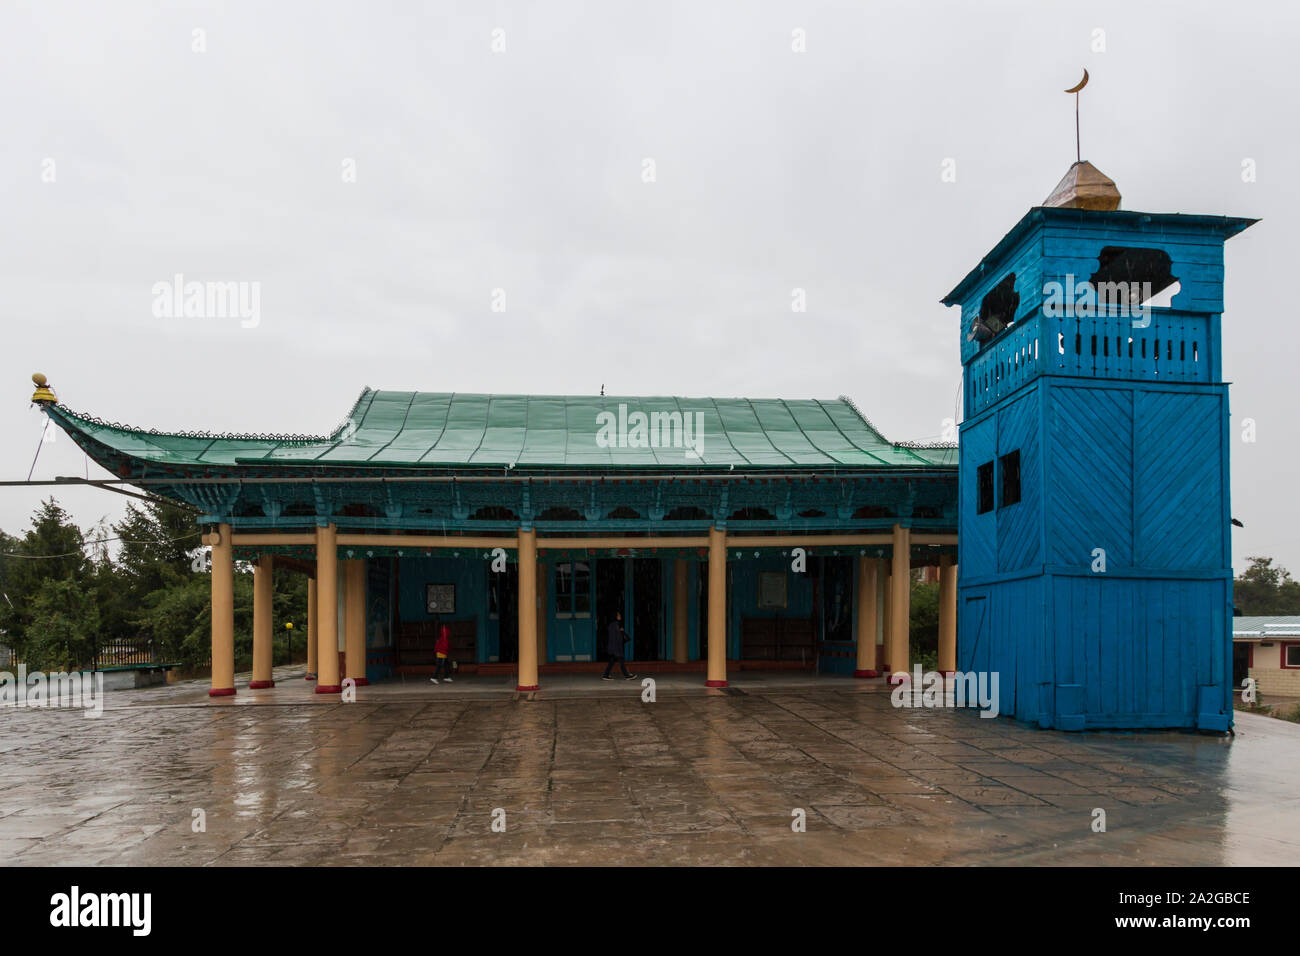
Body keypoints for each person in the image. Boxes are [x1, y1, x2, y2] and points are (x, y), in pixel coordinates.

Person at [602, 610, 638, 681]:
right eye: (618, 615)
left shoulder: (614, 624)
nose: (620, 616)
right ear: (615, 616)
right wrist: (621, 632)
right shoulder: (615, 625)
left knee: (612, 662)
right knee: (621, 662)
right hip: (616, 648)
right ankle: (627, 675)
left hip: (614, 647)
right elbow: (616, 638)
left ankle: (606, 675)